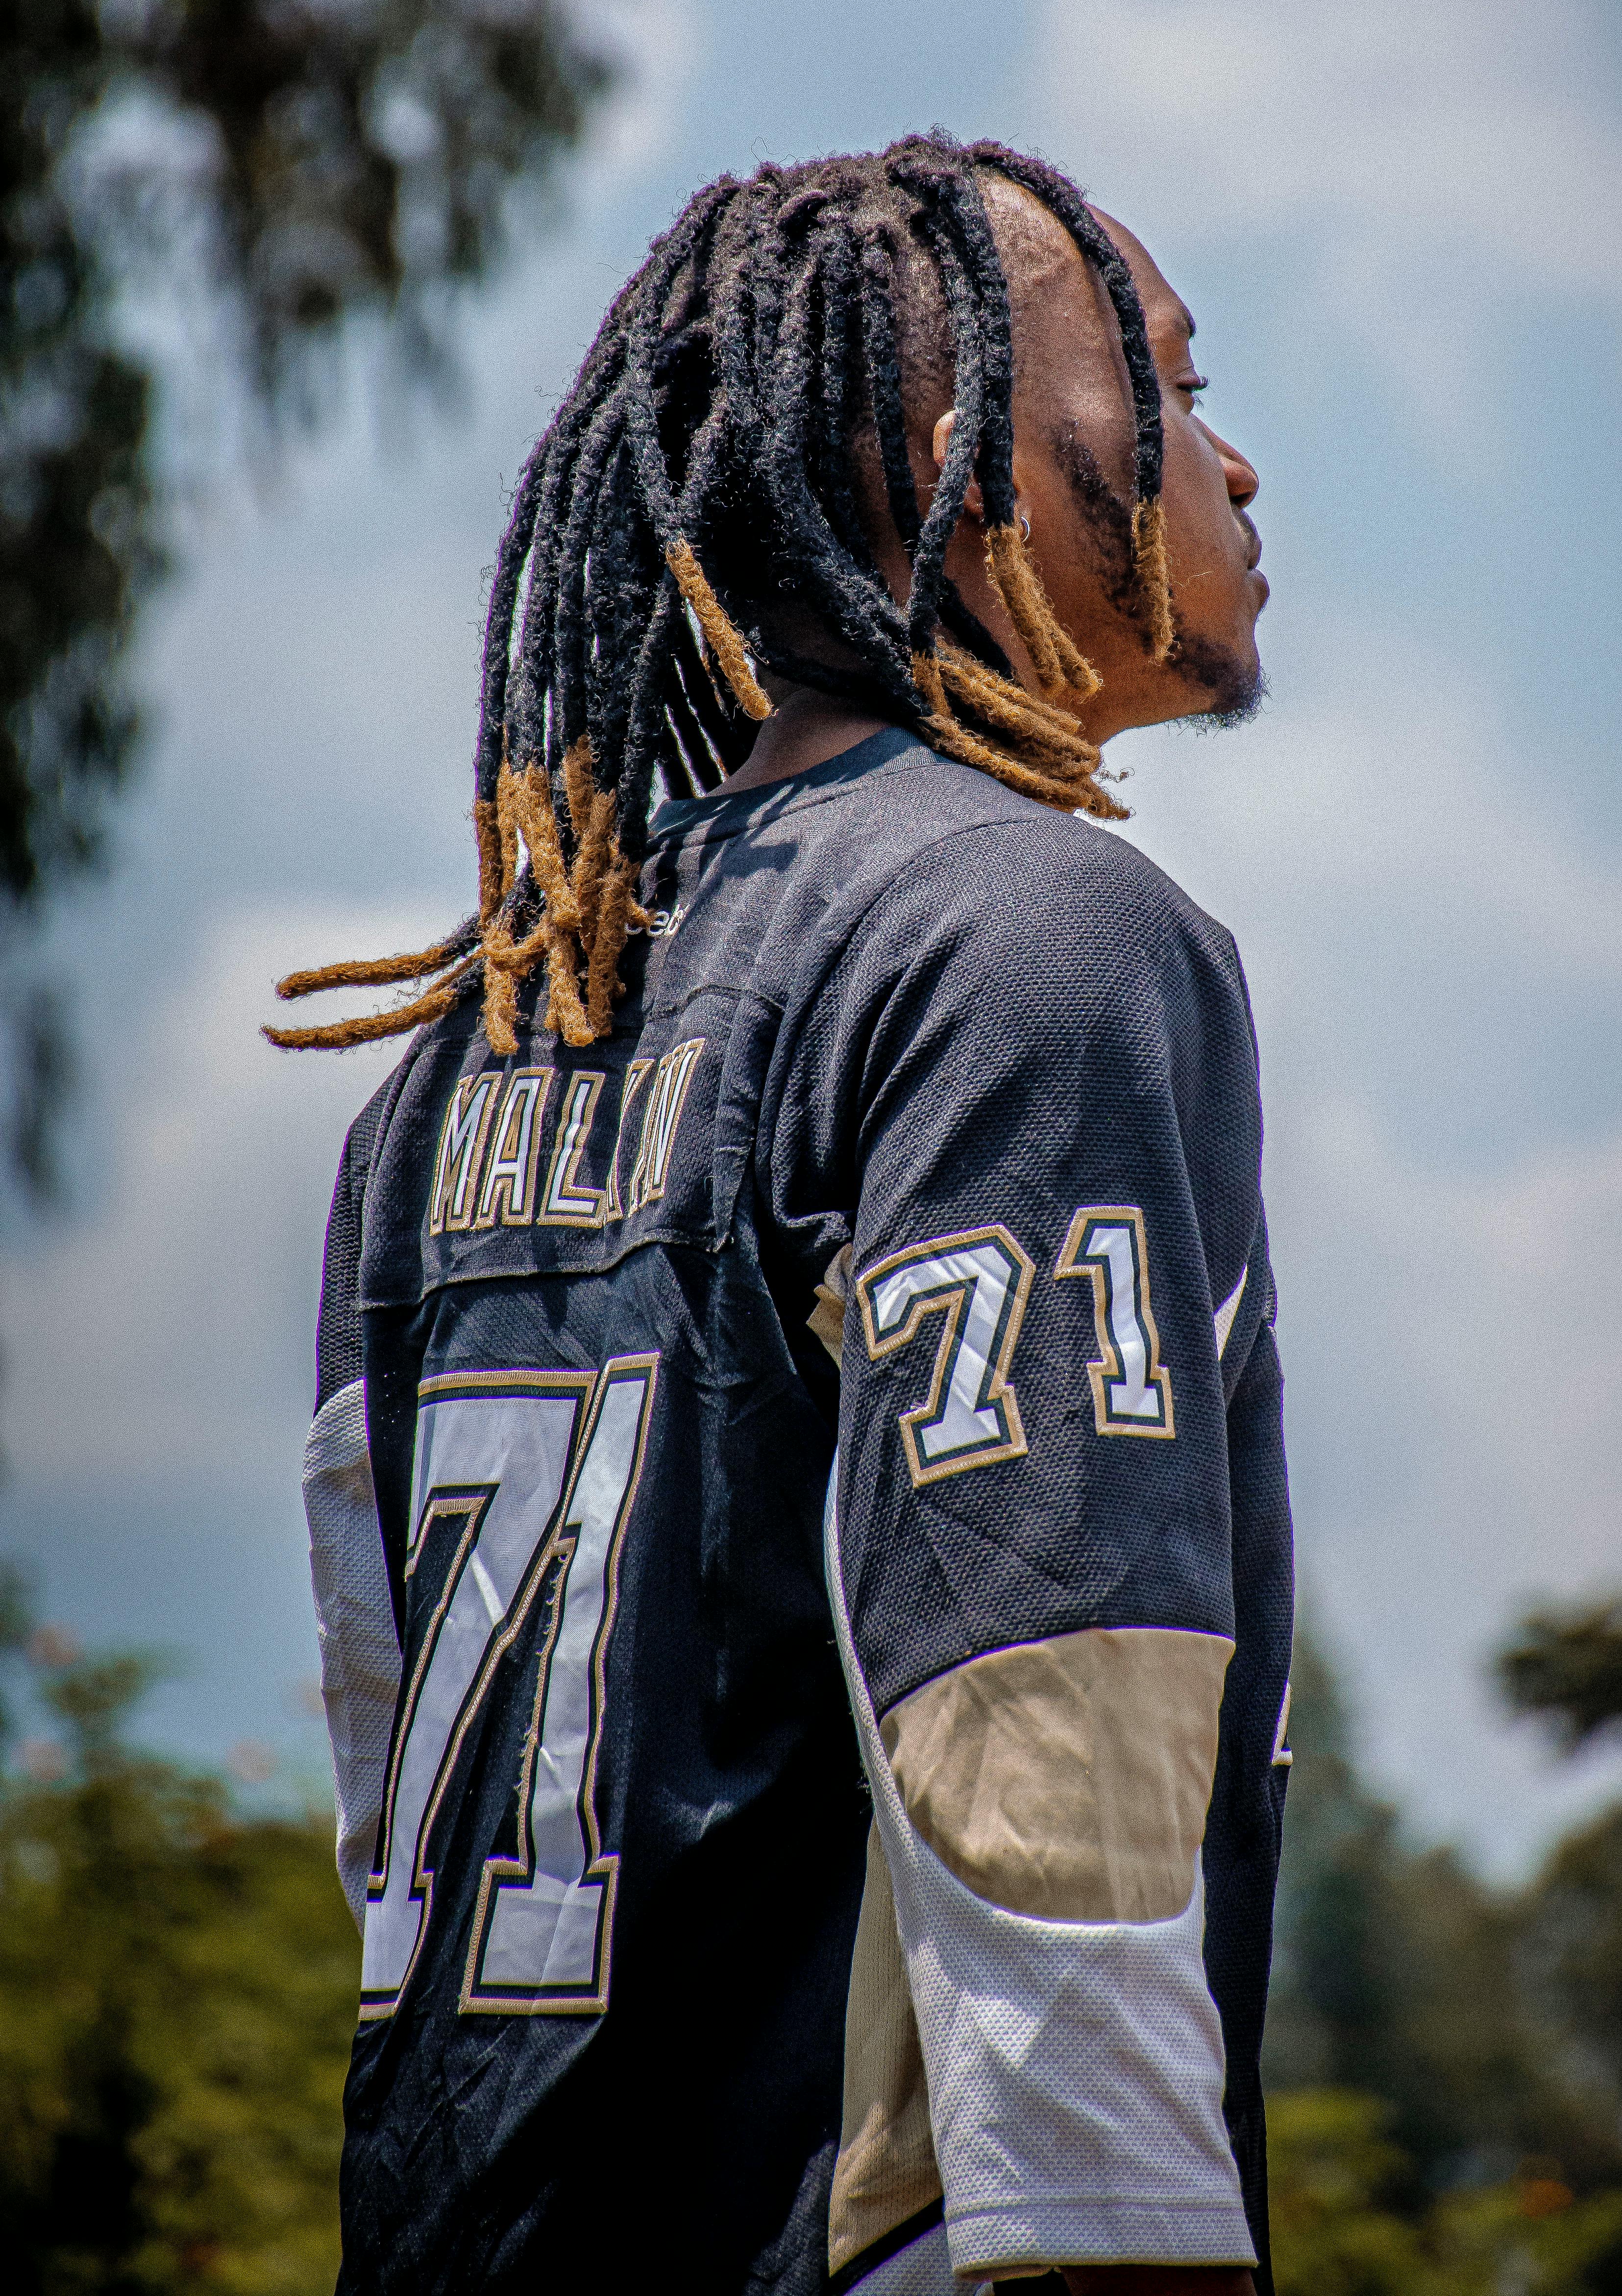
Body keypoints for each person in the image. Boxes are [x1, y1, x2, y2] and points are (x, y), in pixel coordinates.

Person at [277, 135, 1292, 2295]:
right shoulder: (1031, 935)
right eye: (1175, 388)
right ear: (946, 457)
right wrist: (1124, 2254)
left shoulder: (466, 1042)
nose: (1238, 463)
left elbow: (392, 1809)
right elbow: (1047, 1701)